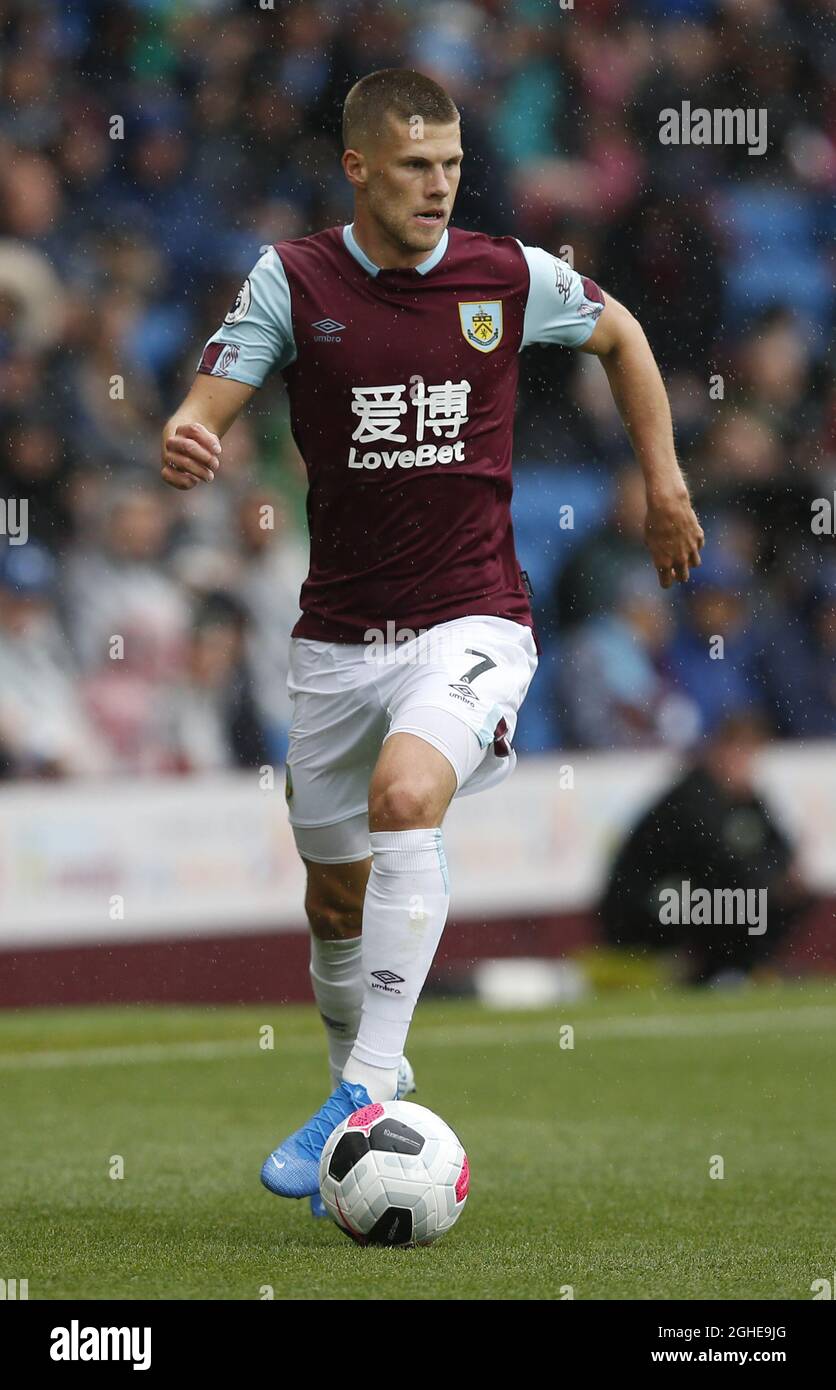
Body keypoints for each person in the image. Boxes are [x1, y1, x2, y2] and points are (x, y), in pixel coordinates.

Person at [159, 68, 704, 1210]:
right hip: (336, 641)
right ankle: (356, 1079)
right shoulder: (292, 279)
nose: (438, 186)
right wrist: (192, 431)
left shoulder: (503, 274)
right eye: (414, 166)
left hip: (472, 617)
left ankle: (358, 1098)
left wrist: (661, 482)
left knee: (410, 796)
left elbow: (623, 333)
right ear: (356, 166)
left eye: (451, 164)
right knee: (333, 902)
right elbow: (216, 385)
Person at [599, 710, 811, 986]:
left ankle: (738, 968)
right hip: (644, 904)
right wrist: (767, 880)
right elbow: (717, 861)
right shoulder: (692, 797)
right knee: (741, 901)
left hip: (694, 895)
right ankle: (715, 972)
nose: (746, 765)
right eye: (740, 754)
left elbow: (779, 847)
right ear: (720, 751)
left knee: (775, 898)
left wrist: (779, 876)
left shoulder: (746, 797)